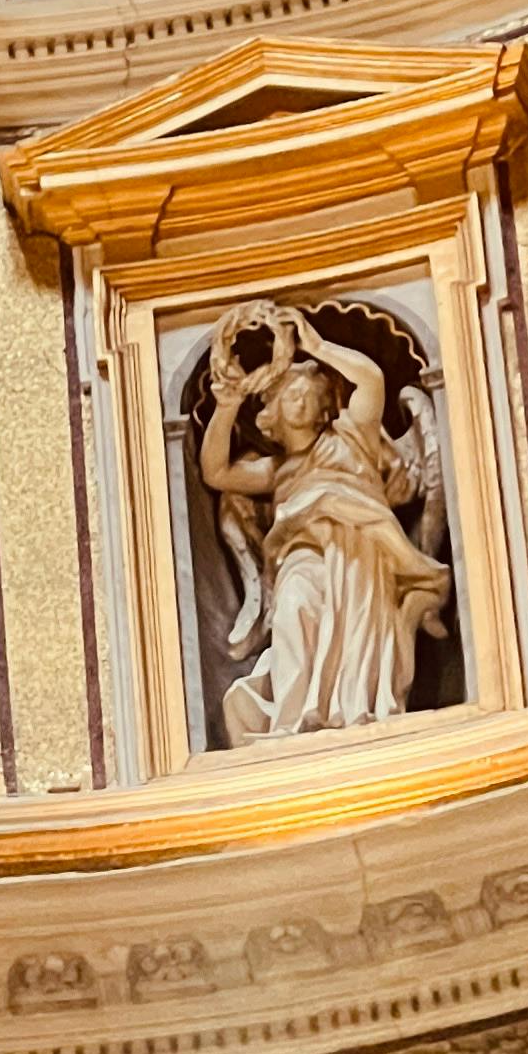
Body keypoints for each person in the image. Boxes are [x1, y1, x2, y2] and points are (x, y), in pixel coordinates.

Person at [196, 305, 452, 742]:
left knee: (360, 631)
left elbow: (371, 380)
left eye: (309, 394)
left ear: (323, 407)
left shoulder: (352, 435)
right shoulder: (274, 470)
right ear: (271, 414)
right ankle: (293, 720)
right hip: (303, 559)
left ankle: (356, 709)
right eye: (290, 394)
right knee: (294, 608)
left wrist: (318, 347)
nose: (300, 399)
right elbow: (215, 473)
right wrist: (226, 406)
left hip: (360, 555)